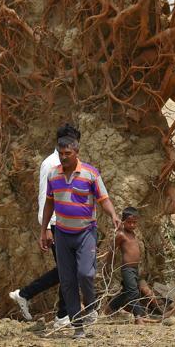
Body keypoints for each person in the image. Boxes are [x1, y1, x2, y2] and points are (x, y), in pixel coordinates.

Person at [39, 136, 121, 338]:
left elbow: (104, 198)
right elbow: (49, 203)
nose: (64, 157)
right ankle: (78, 327)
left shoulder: (90, 173)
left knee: (85, 274)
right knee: (67, 282)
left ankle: (91, 306)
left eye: (68, 154)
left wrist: (113, 214)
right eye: (61, 154)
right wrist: (44, 229)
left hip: (85, 233)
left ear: (77, 153)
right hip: (62, 235)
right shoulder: (53, 175)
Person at [9, 123, 80, 327]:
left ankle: (26, 295)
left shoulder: (70, 163)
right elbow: (44, 198)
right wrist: (46, 228)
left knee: (68, 269)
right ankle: (61, 315)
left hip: (71, 224)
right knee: (69, 269)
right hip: (57, 224)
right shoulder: (50, 164)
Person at [103, 207, 148, 323]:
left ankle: (109, 308)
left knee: (127, 292)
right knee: (134, 292)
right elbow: (112, 250)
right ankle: (138, 317)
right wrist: (108, 265)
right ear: (123, 221)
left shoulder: (133, 234)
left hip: (134, 268)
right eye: (129, 222)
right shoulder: (121, 235)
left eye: (134, 222)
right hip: (127, 268)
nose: (132, 225)